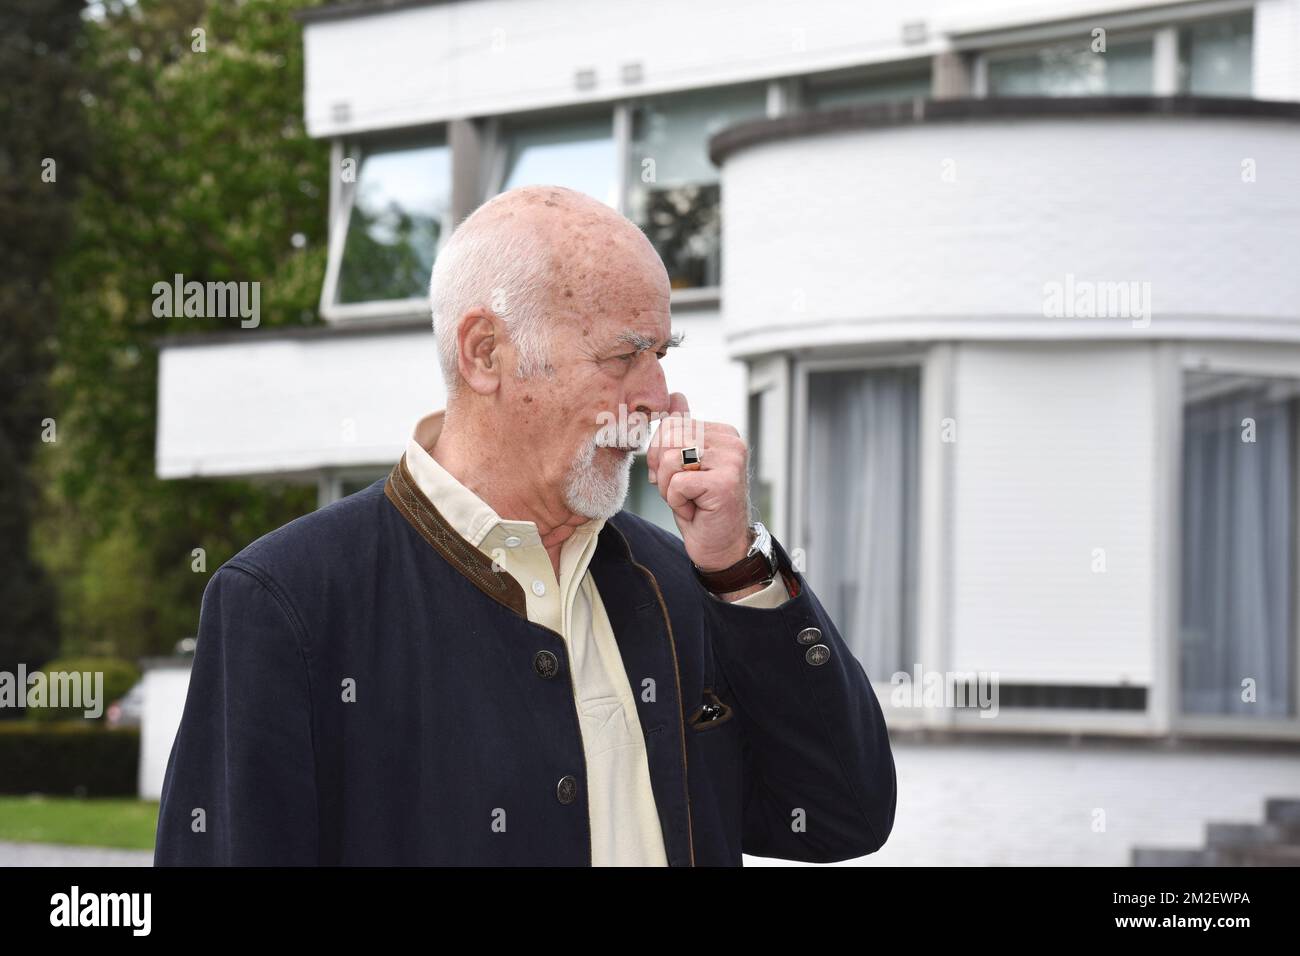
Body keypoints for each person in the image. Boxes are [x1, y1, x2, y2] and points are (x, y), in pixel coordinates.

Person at [154, 184, 896, 866]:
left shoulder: (682, 582)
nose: (656, 398)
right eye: (623, 356)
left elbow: (842, 815)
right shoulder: (288, 603)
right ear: (485, 353)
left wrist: (739, 571)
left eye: (661, 354)